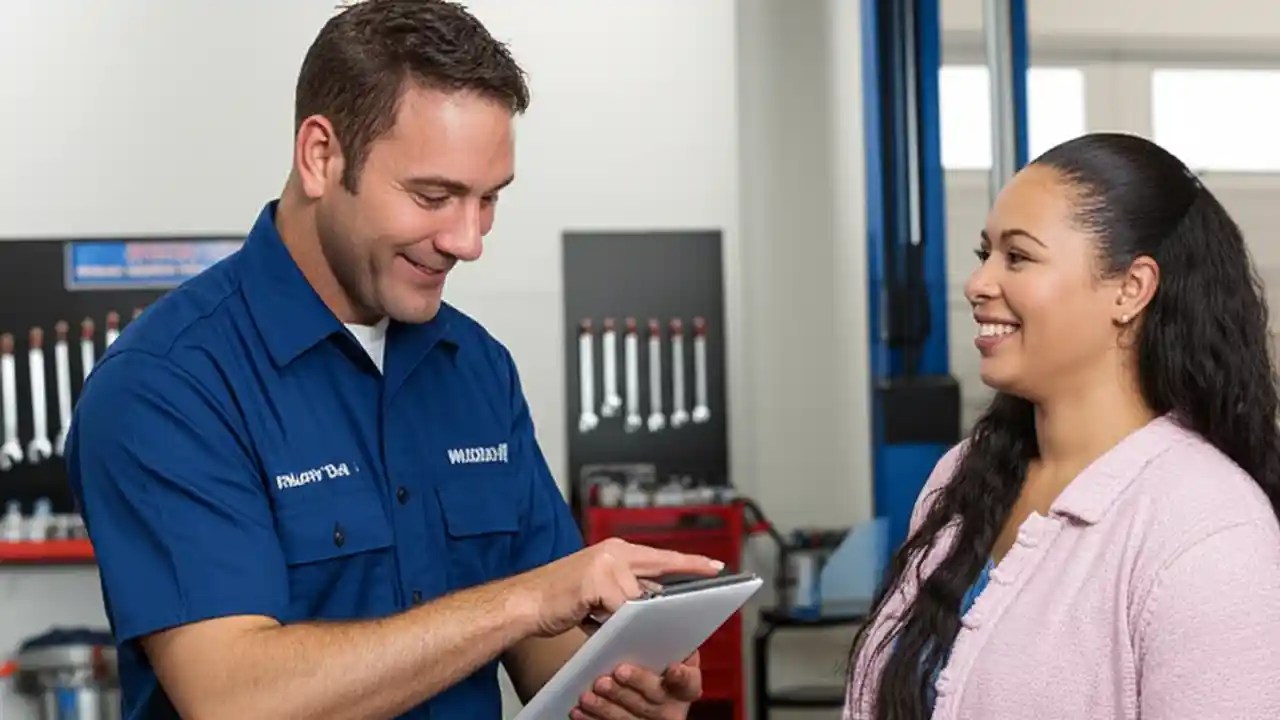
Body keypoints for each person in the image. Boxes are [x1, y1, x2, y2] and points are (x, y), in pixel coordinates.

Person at [64, 2, 724, 719]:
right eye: (433, 196)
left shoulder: (475, 368)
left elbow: (547, 648)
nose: (467, 240)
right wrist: (525, 600)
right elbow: (233, 698)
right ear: (321, 156)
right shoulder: (169, 386)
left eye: (488, 200)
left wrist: (621, 690)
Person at [843, 132, 1280, 720]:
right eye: (985, 255)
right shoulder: (964, 475)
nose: (977, 284)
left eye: (1018, 256)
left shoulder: (1208, 532)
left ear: (1131, 289)